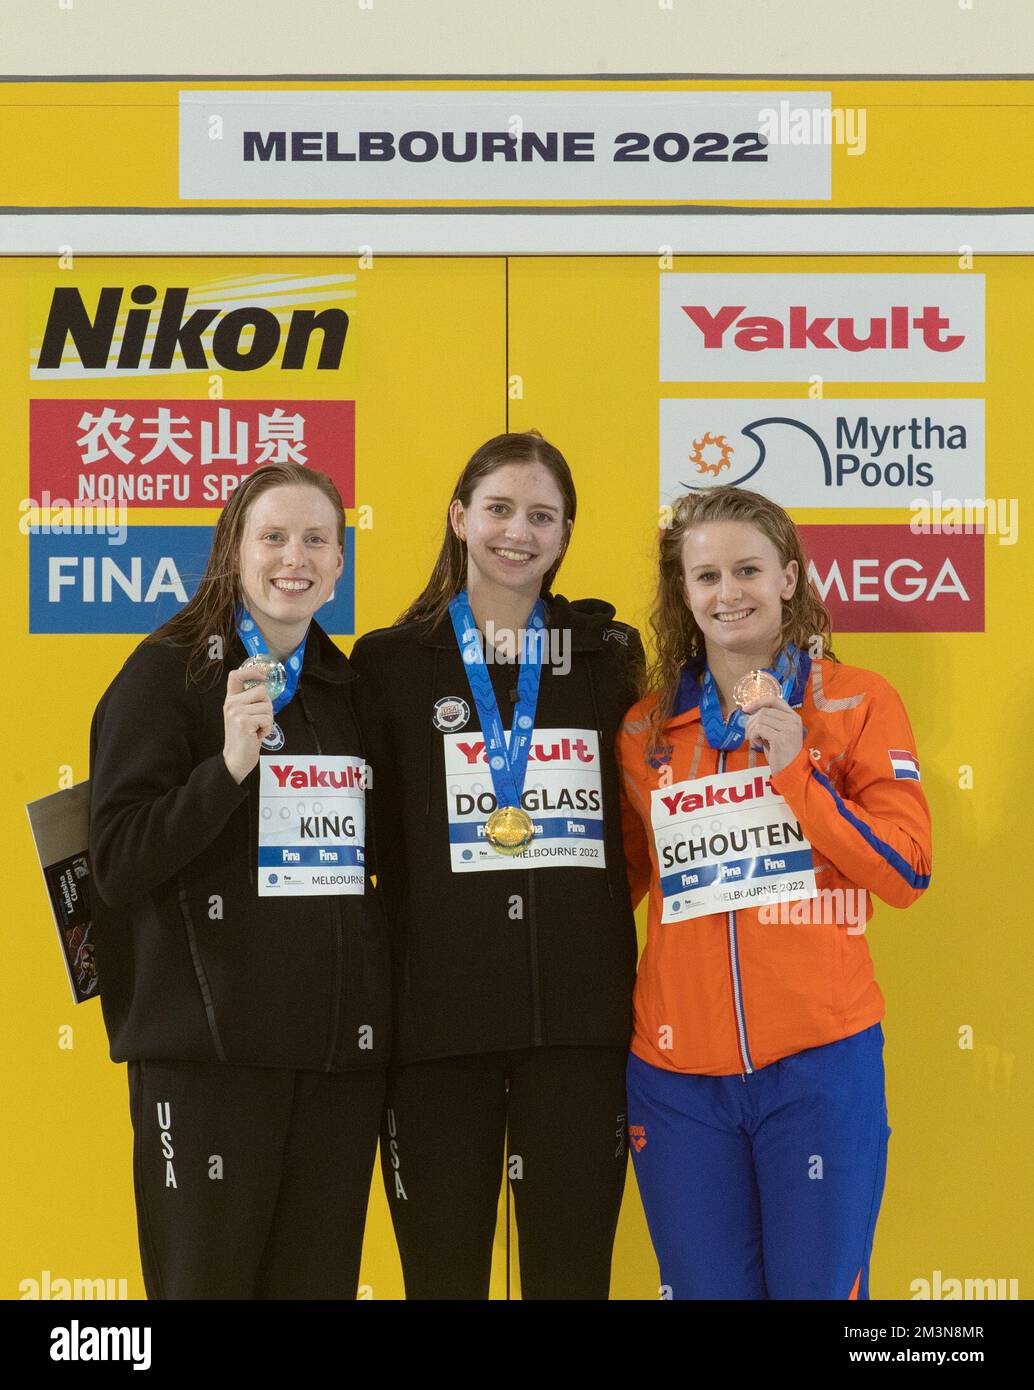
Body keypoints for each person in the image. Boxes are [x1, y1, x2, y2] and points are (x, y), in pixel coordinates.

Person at [617, 485, 932, 1300]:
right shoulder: (644, 731)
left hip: (818, 1066)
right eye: (708, 576)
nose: (730, 594)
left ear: (789, 577)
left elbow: (905, 872)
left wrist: (798, 770)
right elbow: (611, 886)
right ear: (684, 595)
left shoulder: (858, 701)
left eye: (749, 570)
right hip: (678, 1078)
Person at [349, 430, 643, 1299]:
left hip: (580, 1031)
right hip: (437, 1032)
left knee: (571, 1280)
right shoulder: (391, 663)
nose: (519, 532)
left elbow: (640, 825)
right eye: (501, 509)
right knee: (442, 1282)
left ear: (564, 535)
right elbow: (366, 841)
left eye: (543, 516)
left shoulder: (605, 657)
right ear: (459, 517)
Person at [88, 462, 391, 1300]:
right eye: (273, 536)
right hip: (207, 1063)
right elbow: (115, 862)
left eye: (316, 539)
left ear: (339, 562)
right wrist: (226, 768)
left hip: (332, 1066)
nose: (294, 557)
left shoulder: (344, 687)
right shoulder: (167, 675)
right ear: (233, 551)